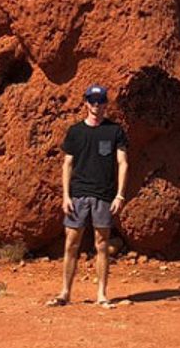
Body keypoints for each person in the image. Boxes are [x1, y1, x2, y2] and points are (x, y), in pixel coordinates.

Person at [48, 84, 129, 308]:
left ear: (105, 104)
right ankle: (65, 293)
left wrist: (120, 195)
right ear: (86, 103)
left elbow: (122, 163)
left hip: (104, 196)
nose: (96, 105)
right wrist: (66, 196)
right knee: (71, 244)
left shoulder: (115, 131)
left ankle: (102, 294)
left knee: (102, 245)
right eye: (92, 101)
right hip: (78, 195)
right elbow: (67, 164)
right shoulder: (75, 132)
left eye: (100, 101)